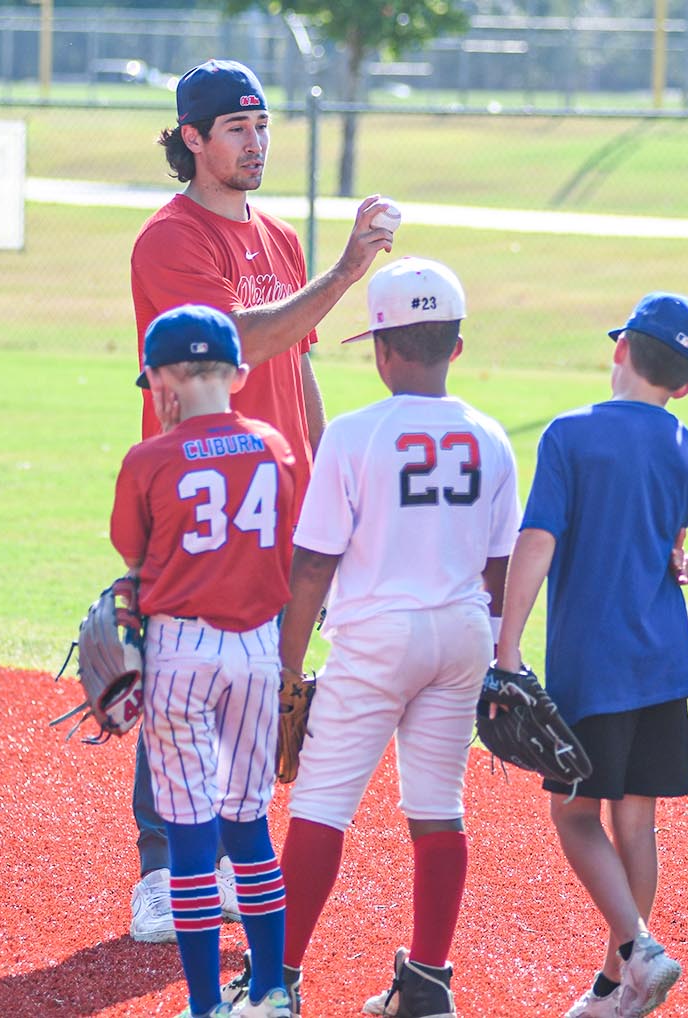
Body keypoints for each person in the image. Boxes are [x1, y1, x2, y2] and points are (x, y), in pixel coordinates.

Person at [126, 57, 393, 945]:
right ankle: (162, 872)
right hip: (199, 494)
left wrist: (323, 485)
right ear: (192, 139)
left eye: (262, 124)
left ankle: (231, 861)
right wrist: (351, 268)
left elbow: (297, 361)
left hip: (276, 503)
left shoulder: (278, 238)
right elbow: (241, 340)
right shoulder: (170, 239)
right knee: (181, 678)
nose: (256, 142)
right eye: (235, 128)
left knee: (254, 686)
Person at [220, 257, 519, 1017]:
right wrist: (496, 655)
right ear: (456, 346)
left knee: (321, 804)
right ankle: (427, 980)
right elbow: (500, 567)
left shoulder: (353, 435)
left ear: (382, 350)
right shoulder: (492, 437)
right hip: (459, 636)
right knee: (437, 809)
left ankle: (274, 982)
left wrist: (286, 668)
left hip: (376, 637)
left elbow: (315, 561)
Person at [494, 292, 688, 1018]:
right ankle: (615, 984)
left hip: (594, 663)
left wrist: (507, 642)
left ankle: (639, 950)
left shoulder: (570, 434)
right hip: (663, 662)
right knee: (635, 821)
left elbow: (537, 542)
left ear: (620, 349)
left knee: (573, 817)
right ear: (686, 384)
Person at [110, 305, 298, 1018]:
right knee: (248, 827)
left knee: (190, 833)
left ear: (160, 380)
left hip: (180, 649)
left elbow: (133, 552)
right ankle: (273, 991)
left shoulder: (148, 458)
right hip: (255, 647)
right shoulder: (274, 445)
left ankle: (204, 1004)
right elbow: (283, 547)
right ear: (240, 374)